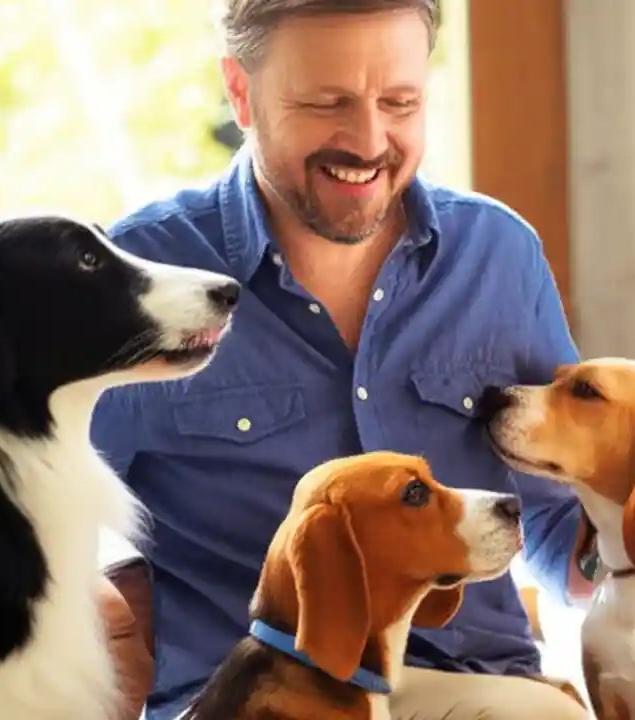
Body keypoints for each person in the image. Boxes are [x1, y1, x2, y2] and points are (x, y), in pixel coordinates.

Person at [89, 1, 594, 717]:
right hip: (253, 695)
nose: (368, 140)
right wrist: (94, 593)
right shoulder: (140, 275)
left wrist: (631, 540)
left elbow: (552, 522)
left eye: (400, 102)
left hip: (474, 687)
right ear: (241, 92)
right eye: (327, 103)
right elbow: (21, 508)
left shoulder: (498, 256)